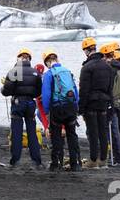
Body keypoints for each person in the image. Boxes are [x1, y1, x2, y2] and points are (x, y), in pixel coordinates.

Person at [2, 48, 43, 169]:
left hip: (18, 103)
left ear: (19, 58)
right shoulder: (35, 72)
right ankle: (37, 161)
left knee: (16, 133)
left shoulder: (14, 71)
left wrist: (3, 89)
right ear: (29, 58)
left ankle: (15, 161)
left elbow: (6, 91)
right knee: (32, 133)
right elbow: (38, 92)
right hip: (30, 103)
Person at [40, 50, 81, 171]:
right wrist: (76, 106)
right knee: (72, 135)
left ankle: (56, 163)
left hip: (57, 108)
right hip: (71, 107)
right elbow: (75, 91)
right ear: (57, 59)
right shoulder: (67, 71)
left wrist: (47, 111)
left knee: (56, 136)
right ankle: (75, 163)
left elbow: (46, 95)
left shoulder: (48, 74)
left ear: (47, 62)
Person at [78, 37, 114, 169]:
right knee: (103, 132)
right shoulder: (107, 66)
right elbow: (110, 88)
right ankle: (103, 160)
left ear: (86, 51)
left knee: (93, 132)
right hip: (104, 103)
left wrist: (80, 108)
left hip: (91, 103)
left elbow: (84, 90)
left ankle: (93, 161)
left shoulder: (87, 68)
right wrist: (110, 103)